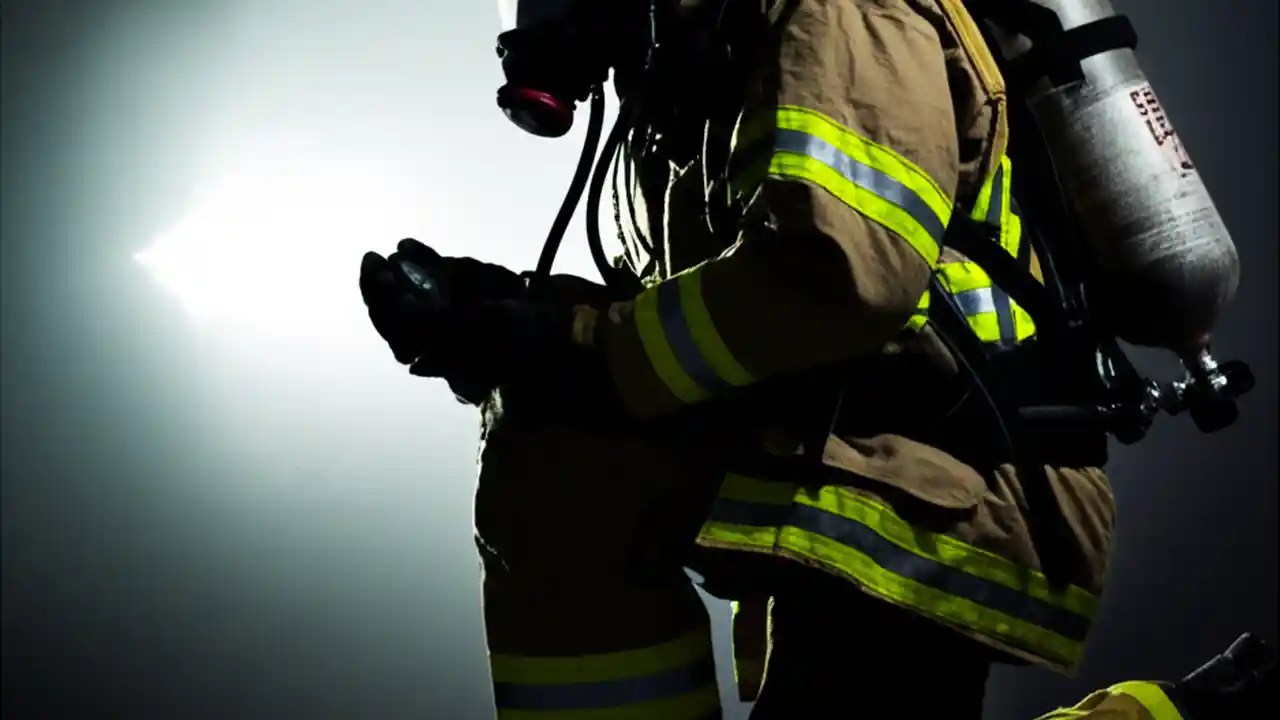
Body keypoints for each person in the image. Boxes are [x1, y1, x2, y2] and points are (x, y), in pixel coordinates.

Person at [361, 0, 1119, 716]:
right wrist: (504, 323)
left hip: (953, 478)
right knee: (550, 433)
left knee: (559, 439)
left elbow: (842, 277)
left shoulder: (835, 12)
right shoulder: (690, 70)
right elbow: (694, 317)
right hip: (849, 453)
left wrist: (571, 348)